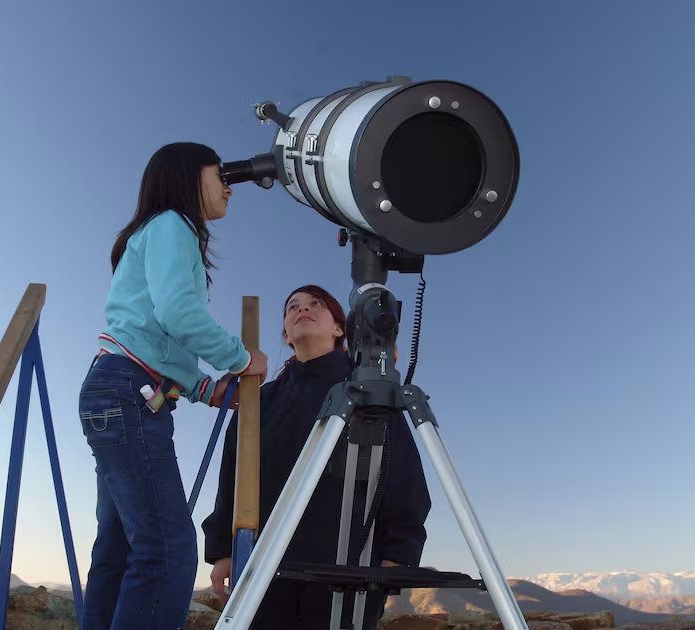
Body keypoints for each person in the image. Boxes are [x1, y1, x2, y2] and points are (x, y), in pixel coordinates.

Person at [78, 142, 269, 630]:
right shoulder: (172, 225)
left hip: (127, 389)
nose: (231, 184)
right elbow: (178, 315)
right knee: (167, 550)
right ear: (186, 175)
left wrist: (205, 390)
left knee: (119, 551)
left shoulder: (157, 231)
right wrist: (242, 359)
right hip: (129, 394)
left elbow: (157, 338)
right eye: (221, 172)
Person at [201, 285, 431, 630]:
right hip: (265, 571)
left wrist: (399, 555)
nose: (301, 309)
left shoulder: (368, 392)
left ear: (340, 328)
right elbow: (231, 478)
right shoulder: (258, 401)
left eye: (315, 305)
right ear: (286, 334)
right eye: (292, 307)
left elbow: (403, 474)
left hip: (348, 570)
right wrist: (222, 550)